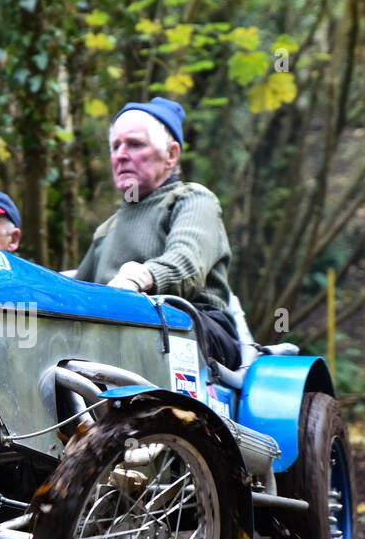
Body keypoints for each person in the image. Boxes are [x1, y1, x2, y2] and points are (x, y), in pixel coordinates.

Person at [75, 96, 242, 369]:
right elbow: (76, 294)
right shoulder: (106, 230)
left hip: (197, 323)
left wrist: (138, 278)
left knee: (137, 331)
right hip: (119, 328)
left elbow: (187, 263)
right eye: (115, 146)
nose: (120, 154)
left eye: (135, 144)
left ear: (171, 155)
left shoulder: (191, 199)